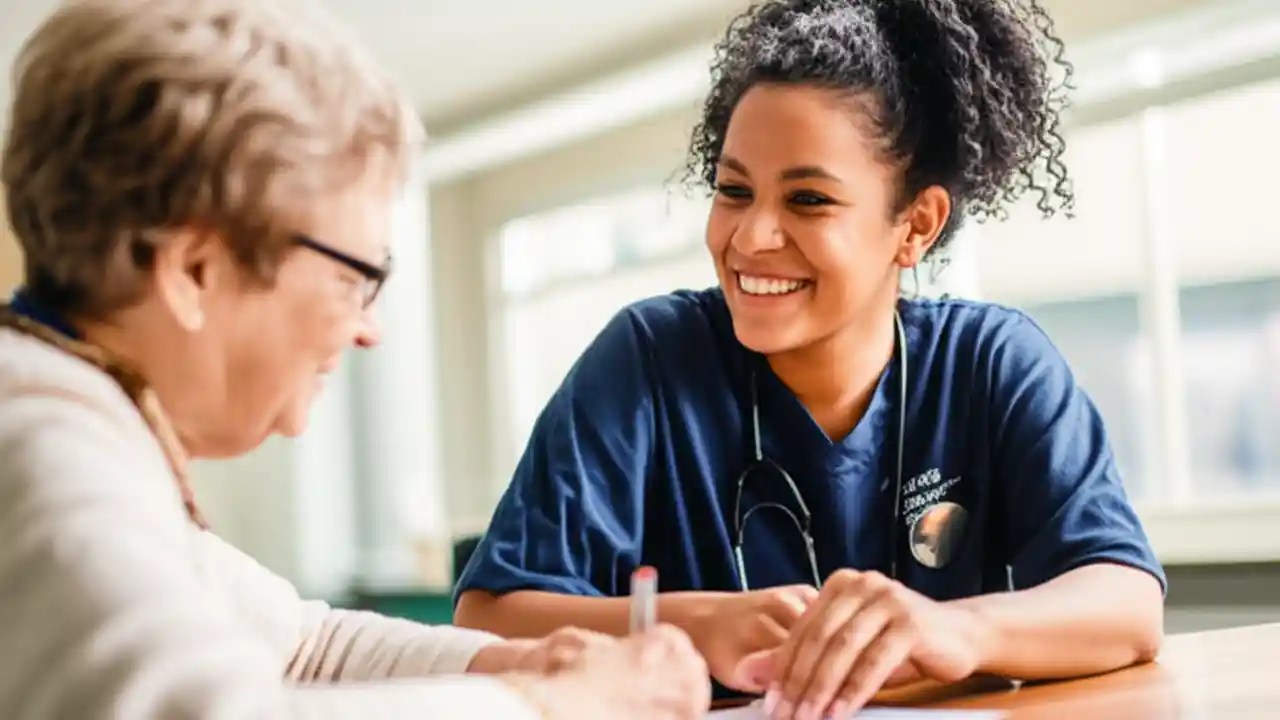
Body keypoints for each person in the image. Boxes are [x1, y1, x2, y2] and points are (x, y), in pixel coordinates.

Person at [453, 1, 1167, 718]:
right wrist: (691, 623)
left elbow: (1127, 603)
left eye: (809, 200)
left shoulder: (991, 365)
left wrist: (955, 629)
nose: (752, 235)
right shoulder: (647, 362)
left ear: (916, 224)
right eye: (734, 191)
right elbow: (486, 618)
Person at [0, 1, 710, 718]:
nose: (369, 329)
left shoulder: (76, 416)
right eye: (353, 279)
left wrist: (526, 662)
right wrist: (545, 703)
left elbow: (308, 647)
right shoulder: (39, 448)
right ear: (193, 270)